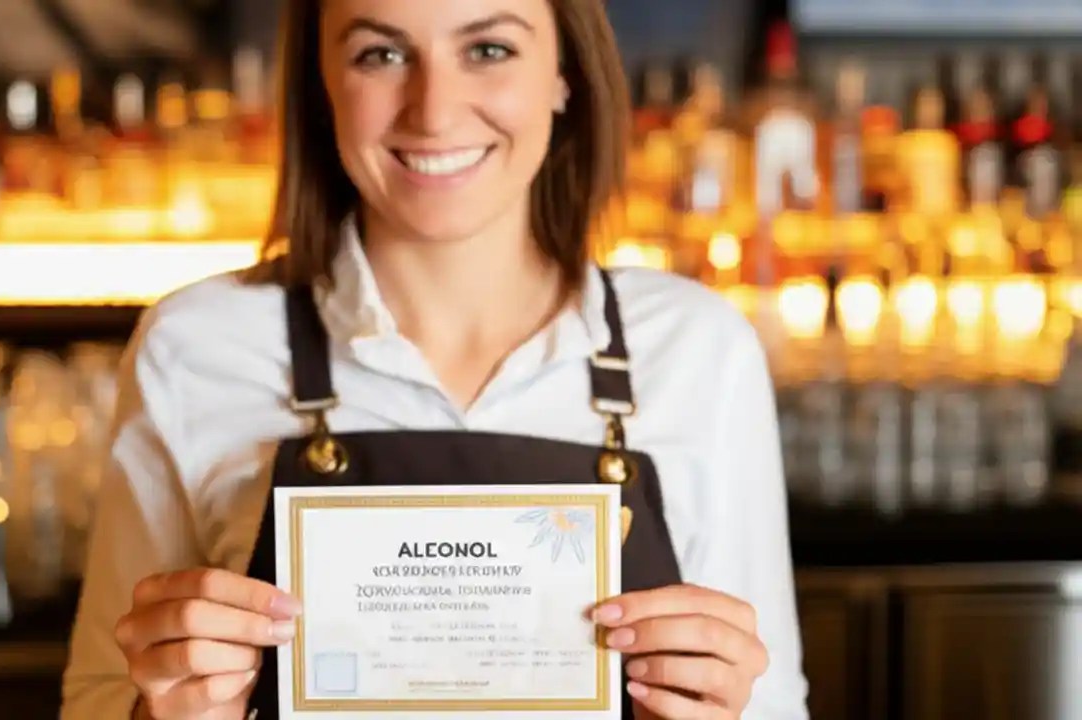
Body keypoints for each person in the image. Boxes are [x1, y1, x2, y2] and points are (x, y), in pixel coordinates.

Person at [60, 0, 810, 718]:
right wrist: (169, 712)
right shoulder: (196, 347)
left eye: (489, 49)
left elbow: (772, 706)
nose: (434, 110)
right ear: (319, 84)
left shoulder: (698, 350)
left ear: (564, 72)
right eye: (380, 53)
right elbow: (96, 701)